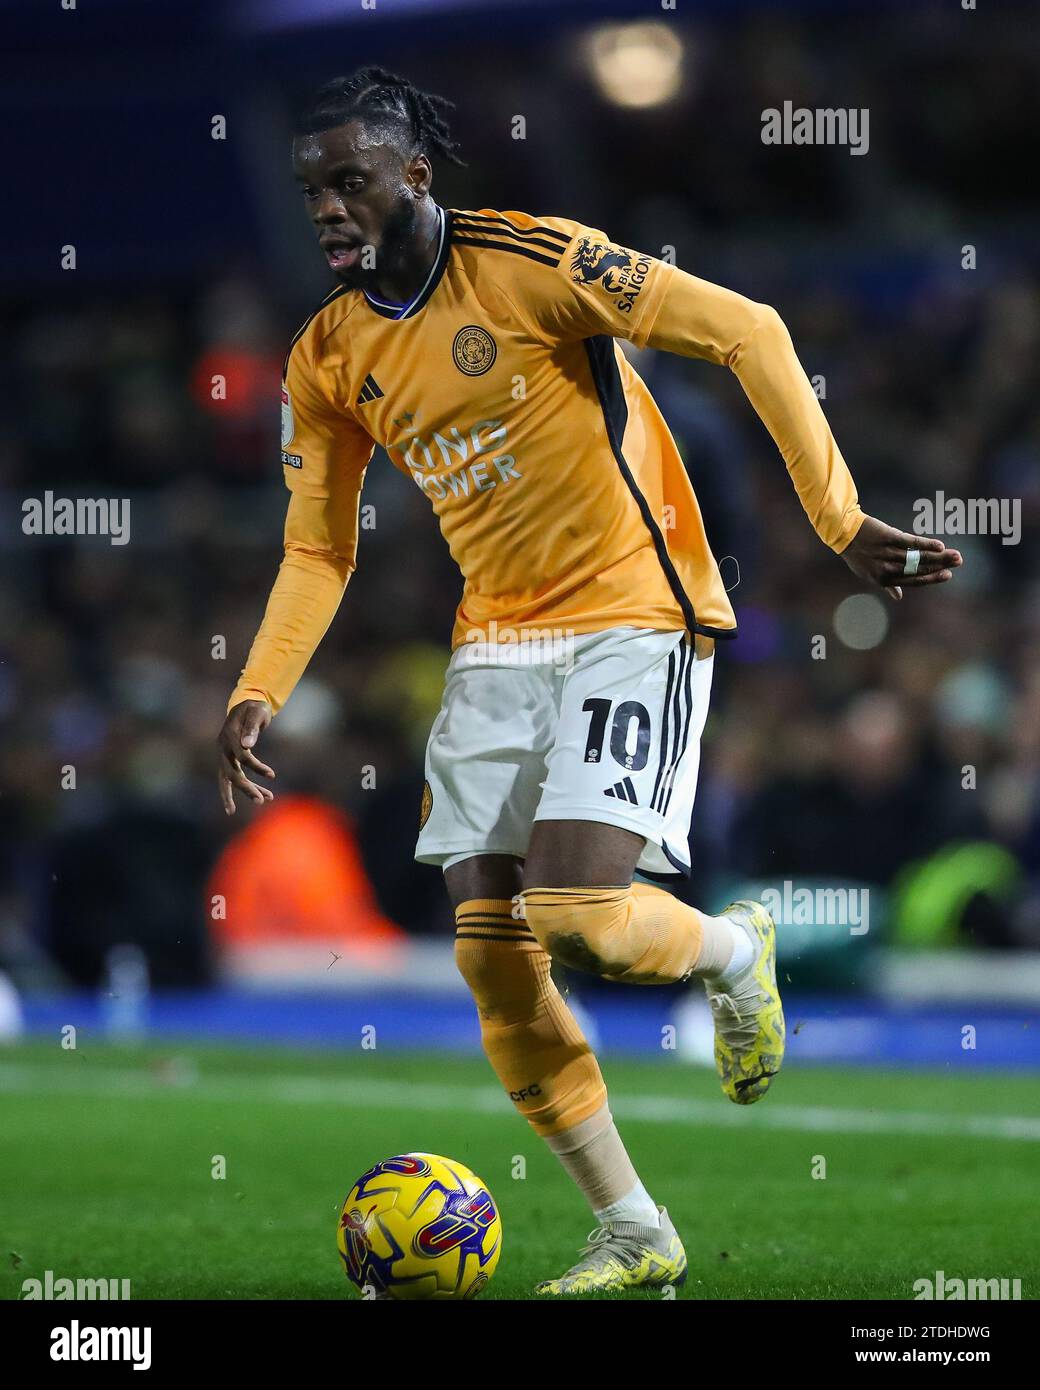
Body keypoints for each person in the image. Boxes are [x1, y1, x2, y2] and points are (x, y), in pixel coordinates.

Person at [216, 68, 962, 1295]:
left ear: (414, 174)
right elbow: (318, 546)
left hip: (632, 610)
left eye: (349, 181)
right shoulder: (327, 357)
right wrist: (259, 683)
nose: (328, 211)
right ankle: (633, 1227)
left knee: (575, 914)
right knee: (492, 959)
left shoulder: (535, 261)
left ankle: (730, 951)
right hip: (493, 644)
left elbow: (749, 329)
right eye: (312, 192)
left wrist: (837, 520)